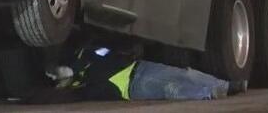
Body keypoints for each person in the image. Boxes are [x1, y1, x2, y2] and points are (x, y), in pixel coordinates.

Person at [43, 36, 246, 102]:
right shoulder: (81, 88)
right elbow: (93, 89)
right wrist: (72, 78)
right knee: (171, 88)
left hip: (139, 67)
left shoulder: (85, 53)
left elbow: (104, 51)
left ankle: (226, 85)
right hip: (133, 87)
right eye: (57, 77)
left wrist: (74, 68)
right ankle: (210, 93)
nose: (60, 74)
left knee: (185, 73)